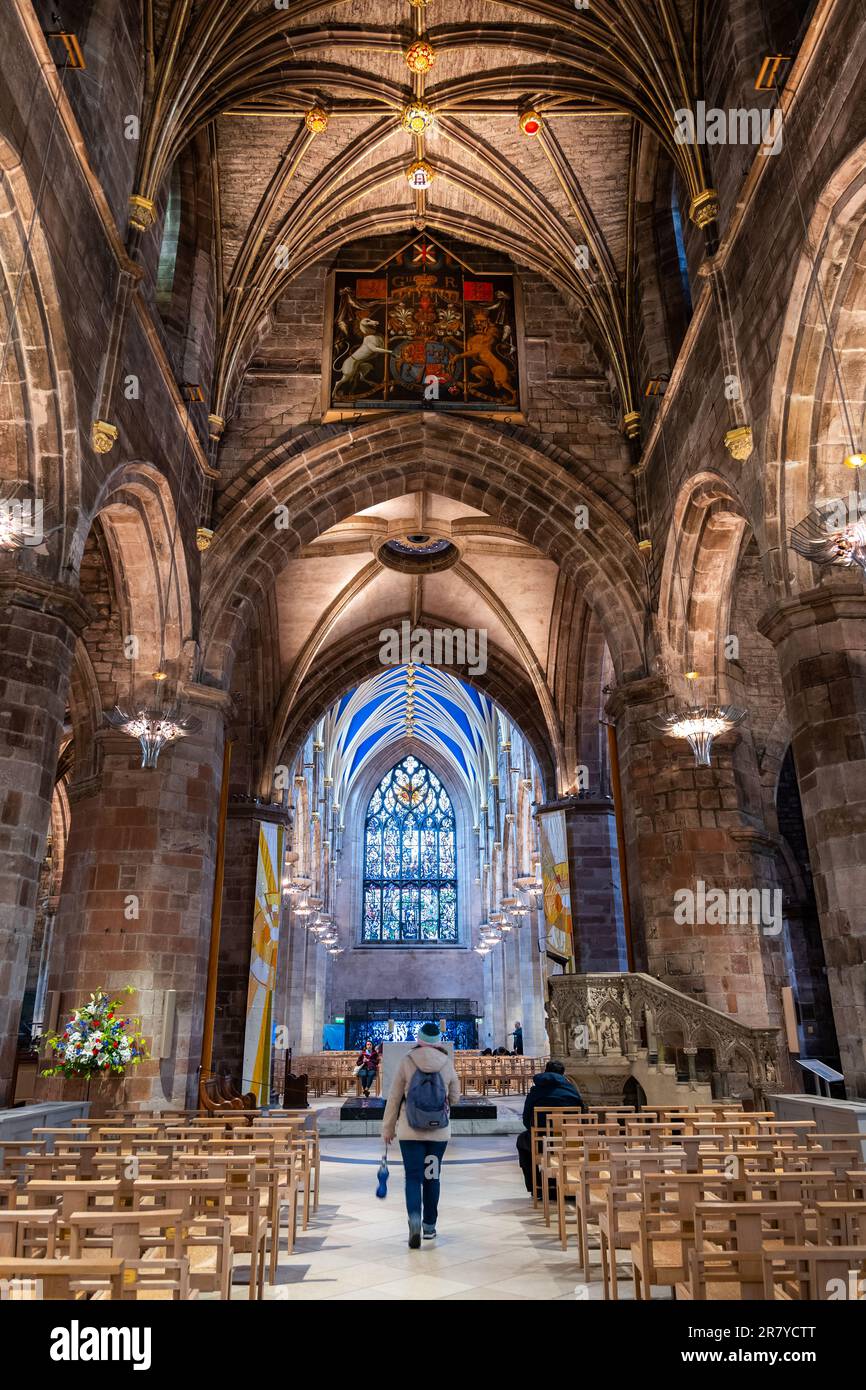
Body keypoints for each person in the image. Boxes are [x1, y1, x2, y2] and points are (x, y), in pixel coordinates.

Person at [382, 1021, 461, 1247]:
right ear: (437, 1041)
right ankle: (429, 1227)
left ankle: (414, 1219)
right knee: (432, 1177)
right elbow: (455, 1097)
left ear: (419, 1039)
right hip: (437, 1134)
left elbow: (394, 1097)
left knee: (413, 1178)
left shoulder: (407, 1061)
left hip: (410, 1132)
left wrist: (388, 1128)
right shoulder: (446, 1062)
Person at [516, 1059, 583, 1194]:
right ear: (563, 1074)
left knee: (522, 1141)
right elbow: (582, 1116)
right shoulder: (572, 1091)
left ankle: (537, 1187)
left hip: (541, 1141)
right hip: (569, 1141)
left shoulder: (536, 1091)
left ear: (546, 1071)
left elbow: (526, 1119)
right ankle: (572, 1185)